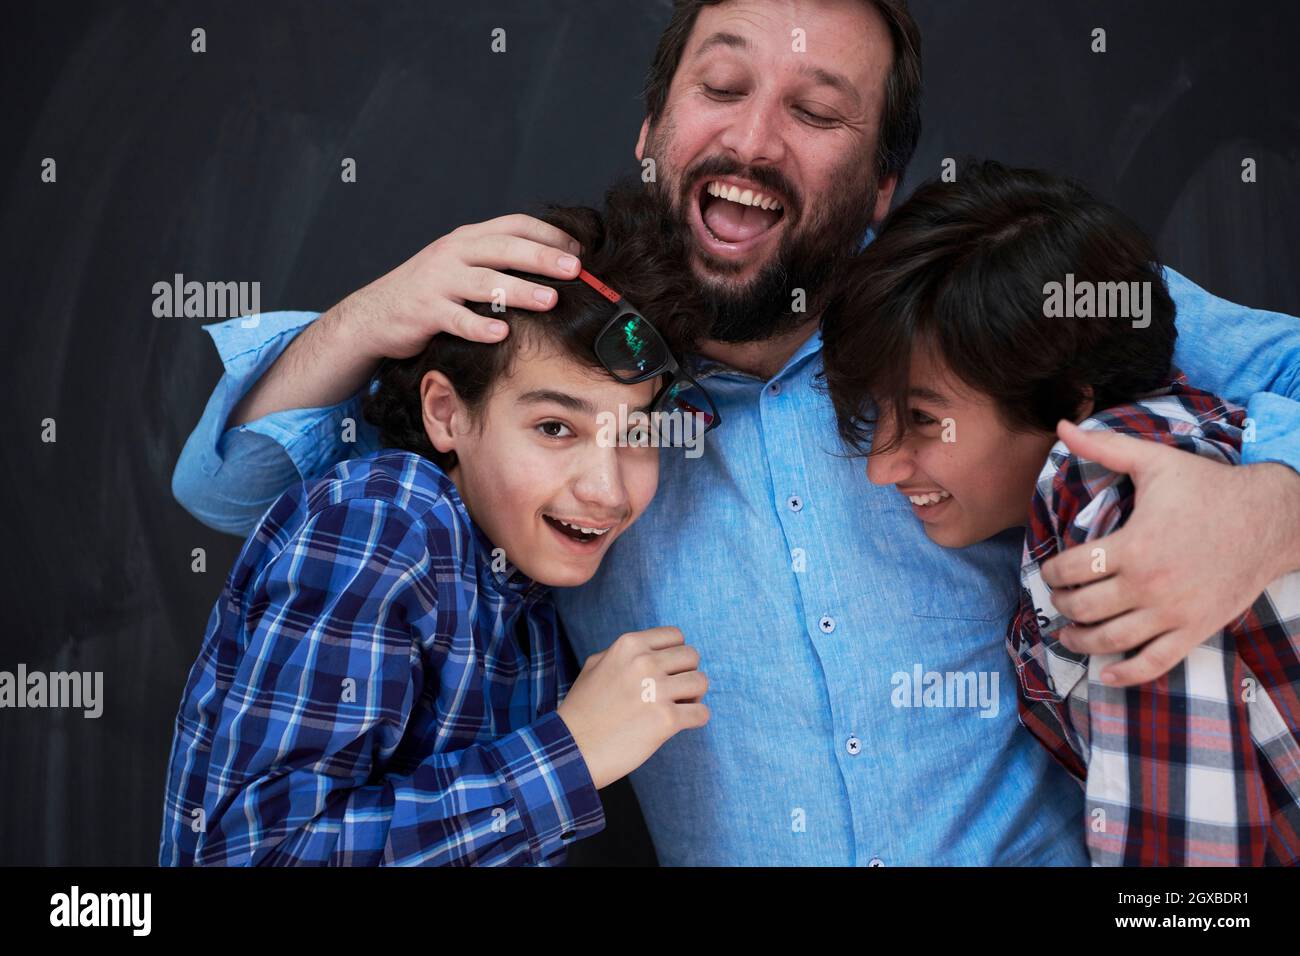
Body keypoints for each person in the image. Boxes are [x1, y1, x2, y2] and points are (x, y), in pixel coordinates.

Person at [170, 0, 1300, 864]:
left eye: (815, 113)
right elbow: (237, 492)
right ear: (652, 129)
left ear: (877, 187)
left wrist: (1269, 506)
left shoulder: (977, 304)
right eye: (720, 89)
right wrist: (373, 314)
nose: (753, 141)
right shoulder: (564, 358)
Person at [159, 189, 716, 865]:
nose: (606, 489)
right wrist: (570, 755)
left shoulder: (524, 583)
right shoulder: (387, 520)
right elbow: (260, 854)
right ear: (447, 414)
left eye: (636, 433)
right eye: (553, 427)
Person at [820, 160, 1300, 866]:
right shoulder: (1187, 430)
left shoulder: (1102, 486)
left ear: (1070, 400)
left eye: (923, 419)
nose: (881, 466)